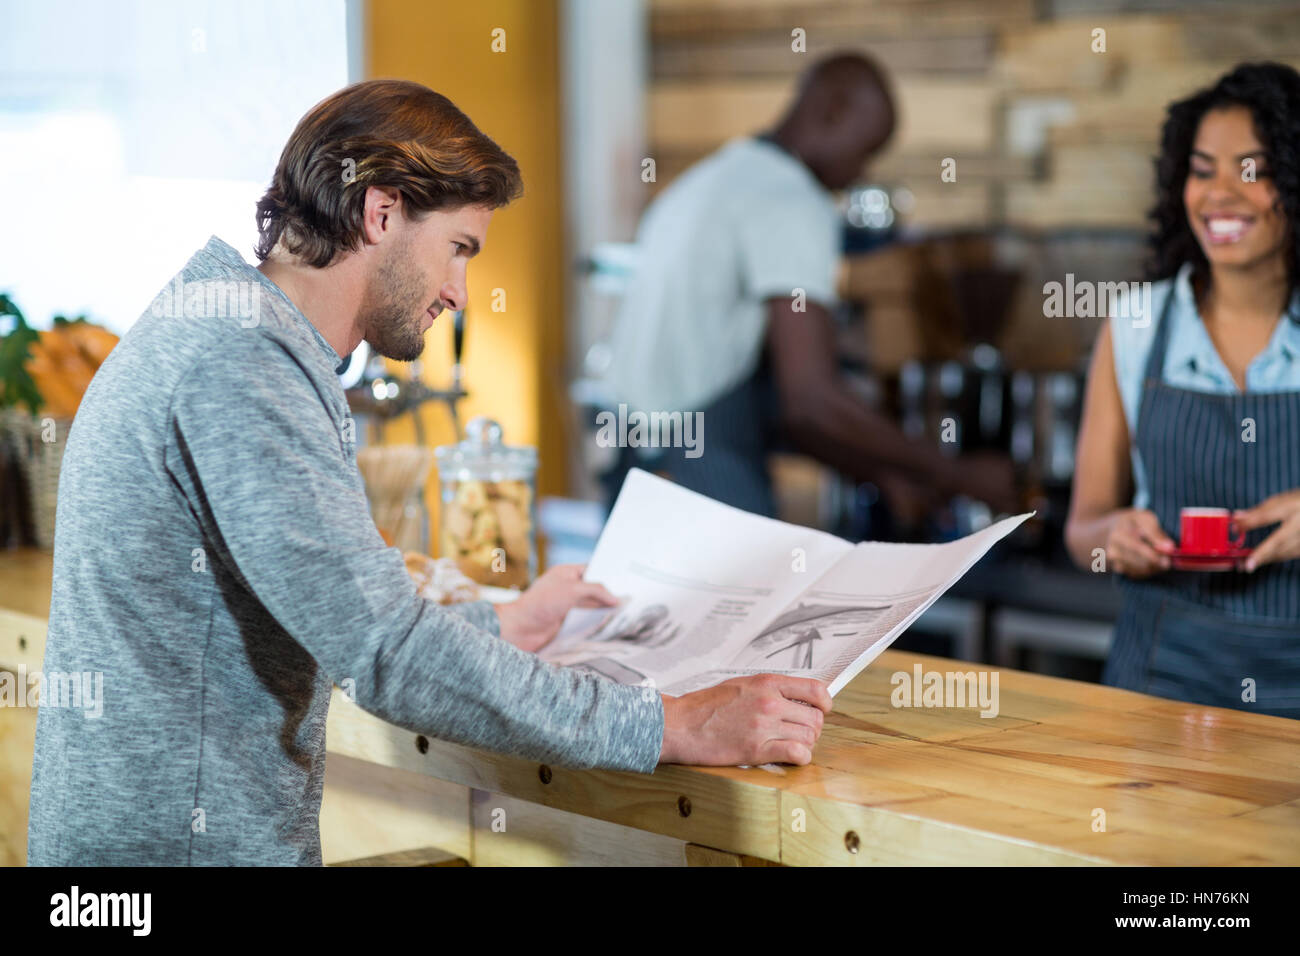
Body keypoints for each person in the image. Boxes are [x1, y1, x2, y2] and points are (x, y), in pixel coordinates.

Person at [26, 79, 831, 867]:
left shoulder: (230, 332)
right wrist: (672, 724)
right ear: (381, 213)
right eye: (459, 250)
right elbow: (385, 652)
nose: (459, 291)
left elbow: (340, 608)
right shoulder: (243, 365)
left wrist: (496, 631)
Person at [603, 51, 1016, 519]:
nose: (863, 172)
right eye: (867, 151)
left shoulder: (711, 178)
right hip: (699, 466)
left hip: (630, 462)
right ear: (833, 109)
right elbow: (811, 399)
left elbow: (781, 402)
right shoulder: (792, 198)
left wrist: (883, 473)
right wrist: (958, 474)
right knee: (751, 591)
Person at [1066, 63, 1300, 719]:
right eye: (1203, 170)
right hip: (1160, 682)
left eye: (1252, 169)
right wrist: (1111, 537)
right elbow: (1082, 528)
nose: (1221, 193)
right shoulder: (1135, 324)